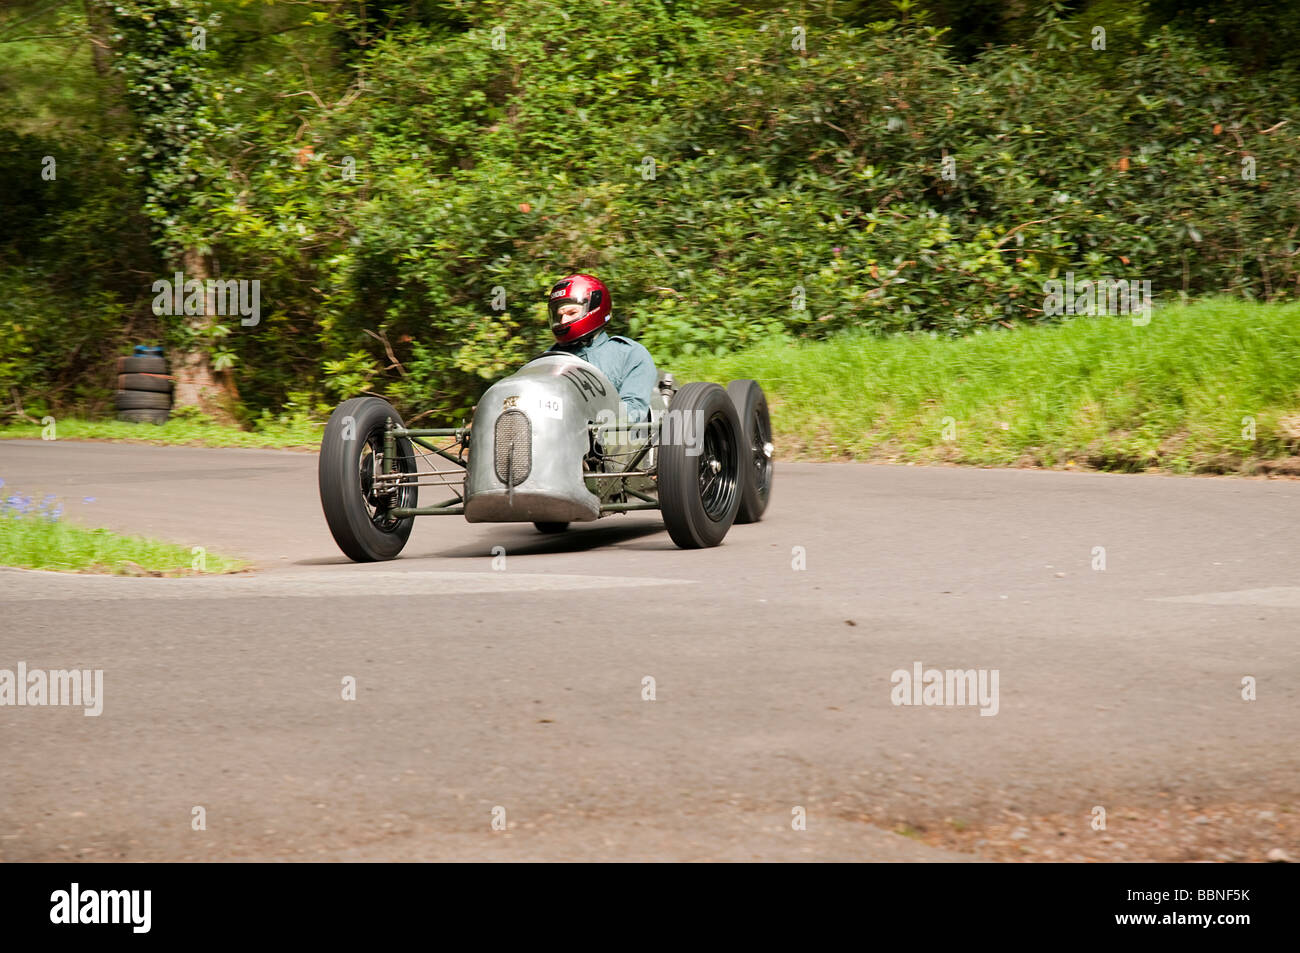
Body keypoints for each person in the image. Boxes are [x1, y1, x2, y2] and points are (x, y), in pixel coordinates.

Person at [543, 273, 657, 423]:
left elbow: (632, 413)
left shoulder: (629, 354)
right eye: (560, 316)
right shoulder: (547, 359)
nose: (563, 320)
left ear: (594, 308)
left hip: (608, 441)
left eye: (571, 313)